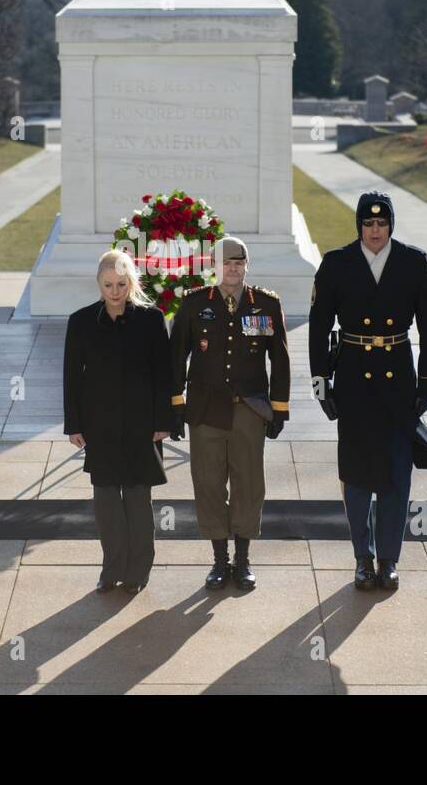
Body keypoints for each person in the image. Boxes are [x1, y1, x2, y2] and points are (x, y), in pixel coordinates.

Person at [307, 191, 427, 591]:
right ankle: (362, 558)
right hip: (353, 379)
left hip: (398, 380)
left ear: (391, 225)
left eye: (382, 224)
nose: (375, 231)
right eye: (368, 224)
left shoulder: (415, 263)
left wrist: (426, 384)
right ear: (359, 226)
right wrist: (320, 381)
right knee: (358, 474)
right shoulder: (336, 264)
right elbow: (317, 326)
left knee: (397, 474)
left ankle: (389, 558)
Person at [169, 236, 290, 592]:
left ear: (246, 265)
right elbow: (176, 358)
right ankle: (220, 561)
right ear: (215, 266)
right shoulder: (194, 305)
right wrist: (176, 406)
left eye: (239, 262)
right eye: (226, 262)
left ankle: (243, 559)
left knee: (248, 485)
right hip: (206, 411)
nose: (232, 268)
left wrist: (278, 409)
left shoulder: (265, 304)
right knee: (208, 484)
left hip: (249, 410)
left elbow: (279, 360)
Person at [63, 249, 175, 595]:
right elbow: (71, 377)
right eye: (109, 284)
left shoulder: (152, 319)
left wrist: (163, 420)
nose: (115, 291)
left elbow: (165, 375)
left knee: (139, 501)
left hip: (143, 425)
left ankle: (138, 571)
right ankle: (111, 569)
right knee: (107, 502)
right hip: (101, 425)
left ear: (132, 283)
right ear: (99, 284)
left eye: (122, 284)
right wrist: (75, 425)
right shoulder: (80, 321)